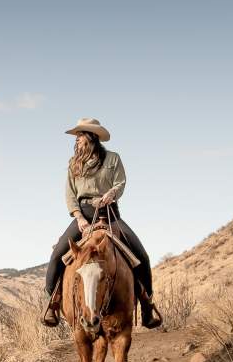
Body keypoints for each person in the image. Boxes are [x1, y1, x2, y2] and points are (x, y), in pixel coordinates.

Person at [42, 117, 162, 329]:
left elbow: (120, 182)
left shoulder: (113, 158)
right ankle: (53, 304)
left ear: (90, 137)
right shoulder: (73, 164)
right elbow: (70, 194)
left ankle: (147, 306)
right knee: (57, 255)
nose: (77, 140)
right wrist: (79, 218)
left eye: (79, 136)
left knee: (141, 255)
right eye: (77, 137)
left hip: (109, 212)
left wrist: (112, 193)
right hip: (84, 214)